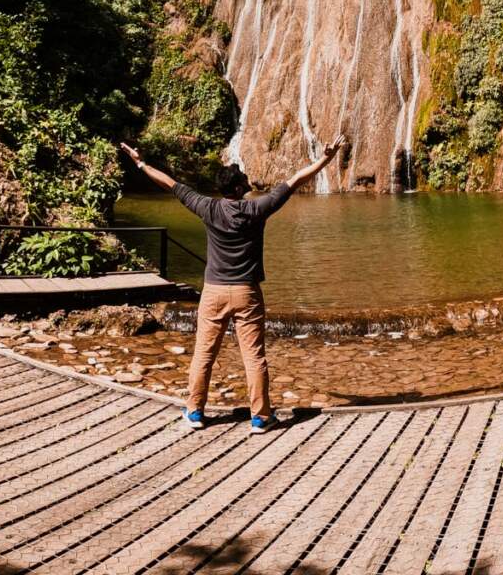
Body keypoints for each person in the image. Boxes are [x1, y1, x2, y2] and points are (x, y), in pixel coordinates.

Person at [120, 137, 345, 432]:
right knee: (254, 356)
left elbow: (170, 184)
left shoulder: (208, 208)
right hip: (247, 292)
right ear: (239, 189)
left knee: (204, 353)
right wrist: (325, 160)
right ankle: (260, 418)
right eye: (242, 178)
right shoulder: (257, 209)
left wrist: (141, 163)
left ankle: (195, 412)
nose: (246, 179)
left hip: (213, 290)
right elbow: (295, 180)